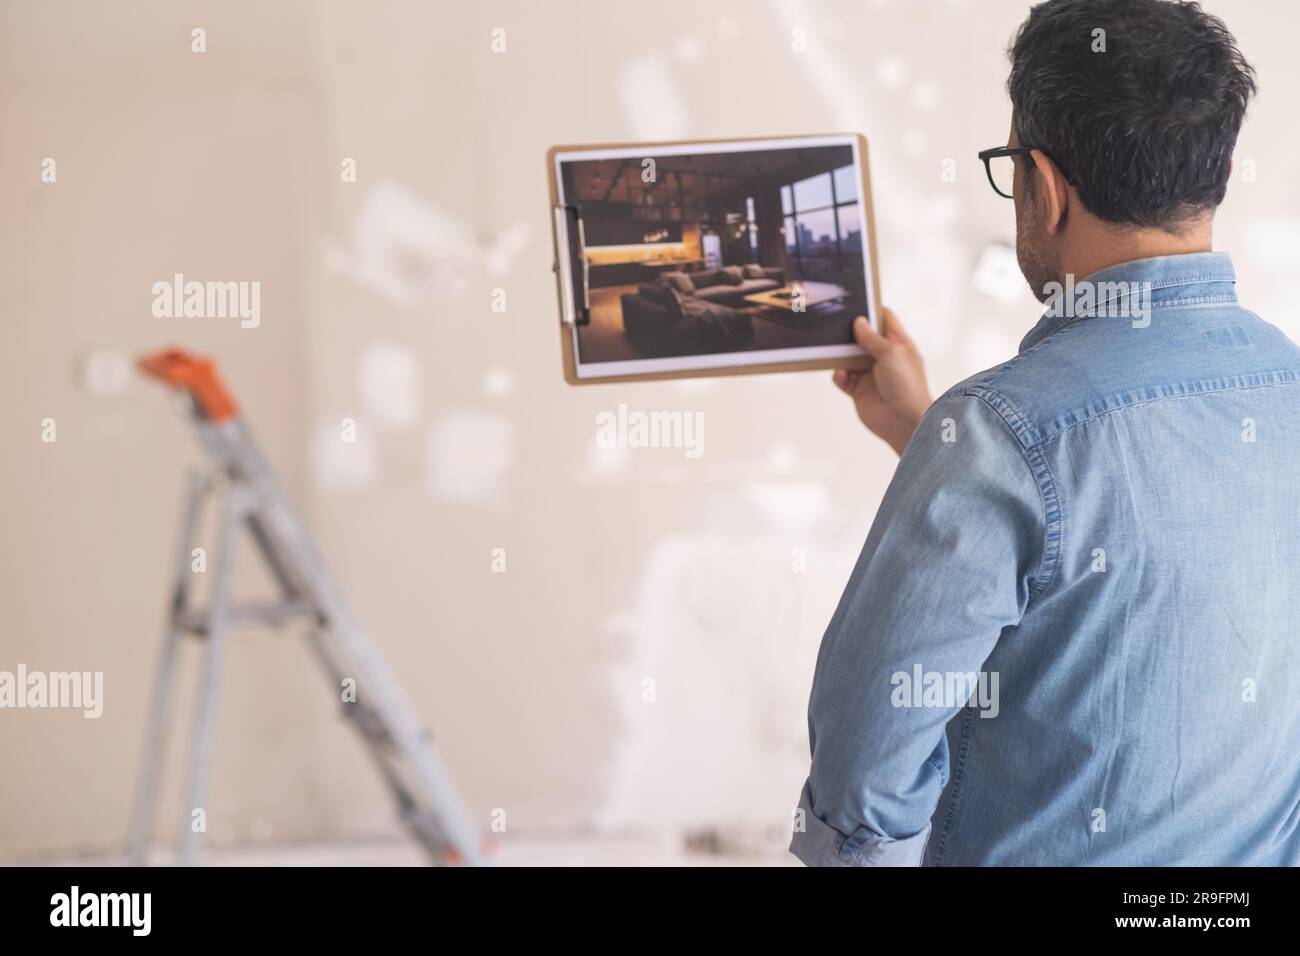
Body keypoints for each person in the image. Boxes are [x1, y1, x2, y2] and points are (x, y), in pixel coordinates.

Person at [792, 0, 1300, 866]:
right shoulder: (1284, 389)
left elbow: (863, 791)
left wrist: (957, 448)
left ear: (1045, 184)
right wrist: (928, 441)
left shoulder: (997, 436)